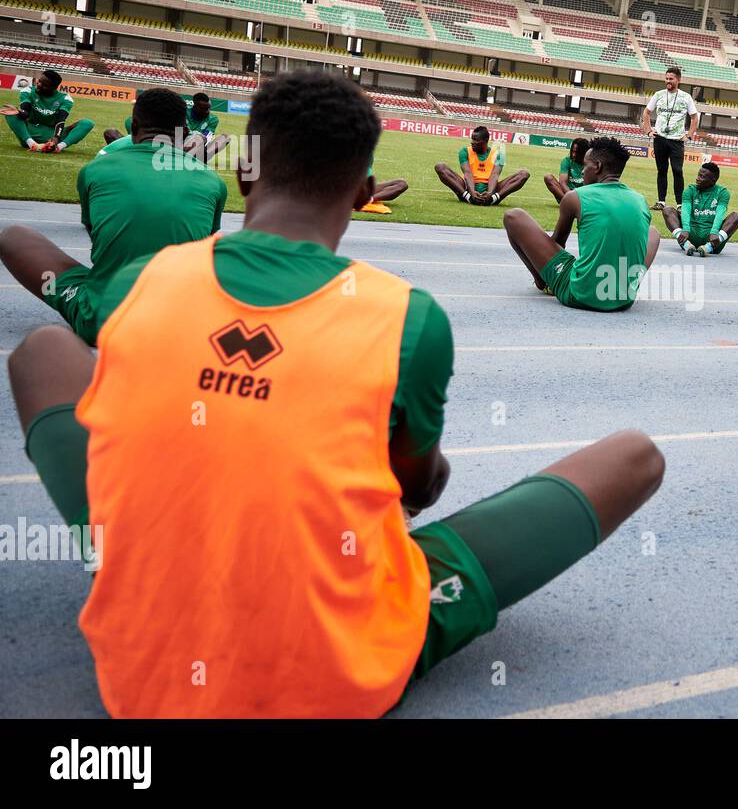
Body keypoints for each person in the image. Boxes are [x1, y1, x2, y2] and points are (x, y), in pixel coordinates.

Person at [6, 70, 666, 718]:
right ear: (365, 193)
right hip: (337, 676)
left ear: (242, 173)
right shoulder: (406, 315)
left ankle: (127, 560)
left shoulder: (145, 281)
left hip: (144, 673)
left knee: (41, 351)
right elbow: (416, 489)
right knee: (635, 457)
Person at [0, 87, 226, 345]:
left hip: (103, 319)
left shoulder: (95, 170)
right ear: (184, 133)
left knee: (14, 238)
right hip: (181, 323)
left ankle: (91, 293)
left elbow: (98, 238)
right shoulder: (213, 182)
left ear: (135, 127)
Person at [503, 136, 660, 311]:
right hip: (624, 299)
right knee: (652, 233)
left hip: (582, 295)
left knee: (513, 216)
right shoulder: (640, 201)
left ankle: (542, 281)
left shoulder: (575, 196)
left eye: (585, 166)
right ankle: (624, 285)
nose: (583, 171)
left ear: (598, 167)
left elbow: (557, 244)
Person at [108, 91, 234, 164]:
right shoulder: (182, 112)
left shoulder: (213, 119)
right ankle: (185, 159)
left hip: (195, 145)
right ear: (195, 106)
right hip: (175, 142)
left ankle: (190, 158)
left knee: (222, 137)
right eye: (204, 108)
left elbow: (207, 136)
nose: (208, 111)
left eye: (209, 108)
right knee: (111, 132)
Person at [642, 66, 700, 210]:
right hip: (660, 138)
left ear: (678, 80)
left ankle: (680, 204)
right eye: (666, 78)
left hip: (677, 141)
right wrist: (649, 131)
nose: (668, 81)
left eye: (671, 79)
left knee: (677, 170)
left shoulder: (686, 97)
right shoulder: (659, 95)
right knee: (661, 170)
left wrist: (689, 135)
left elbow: (694, 117)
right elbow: (646, 113)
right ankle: (661, 202)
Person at [1, 70, 94, 153]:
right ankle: (32, 144)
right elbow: (26, 113)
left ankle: (58, 148)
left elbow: (60, 120)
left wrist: (56, 138)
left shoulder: (65, 98)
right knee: (10, 112)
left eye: (45, 84)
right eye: (40, 81)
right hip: (29, 133)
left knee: (87, 123)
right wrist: (19, 112)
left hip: (51, 136)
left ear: (54, 87)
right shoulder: (27, 91)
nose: (39, 84)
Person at [662, 161, 738, 256]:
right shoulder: (690, 190)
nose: (697, 179)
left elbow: (720, 214)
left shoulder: (722, 193)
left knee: (737, 216)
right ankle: (686, 244)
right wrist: (686, 229)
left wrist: (714, 232)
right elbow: (686, 212)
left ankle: (709, 247)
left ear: (713, 179)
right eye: (698, 175)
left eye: (702, 177)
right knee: (667, 209)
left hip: (713, 239)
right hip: (687, 236)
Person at [434, 126, 529, 205]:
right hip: (467, 188)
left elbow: (494, 175)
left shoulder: (498, 155)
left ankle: (494, 199)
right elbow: (467, 173)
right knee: (440, 167)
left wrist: (490, 194)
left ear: (485, 140)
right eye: (472, 139)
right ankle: (467, 197)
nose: (472, 142)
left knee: (524, 174)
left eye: (476, 140)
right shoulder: (464, 151)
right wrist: (471, 193)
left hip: (492, 190)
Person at [543, 138, 591, 203]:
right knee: (548, 177)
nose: (574, 155)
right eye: (573, 151)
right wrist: (572, 197)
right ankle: (570, 203)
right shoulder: (566, 161)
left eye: (577, 153)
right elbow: (563, 183)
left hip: (583, 195)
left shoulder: (590, 163)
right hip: (567, 194)